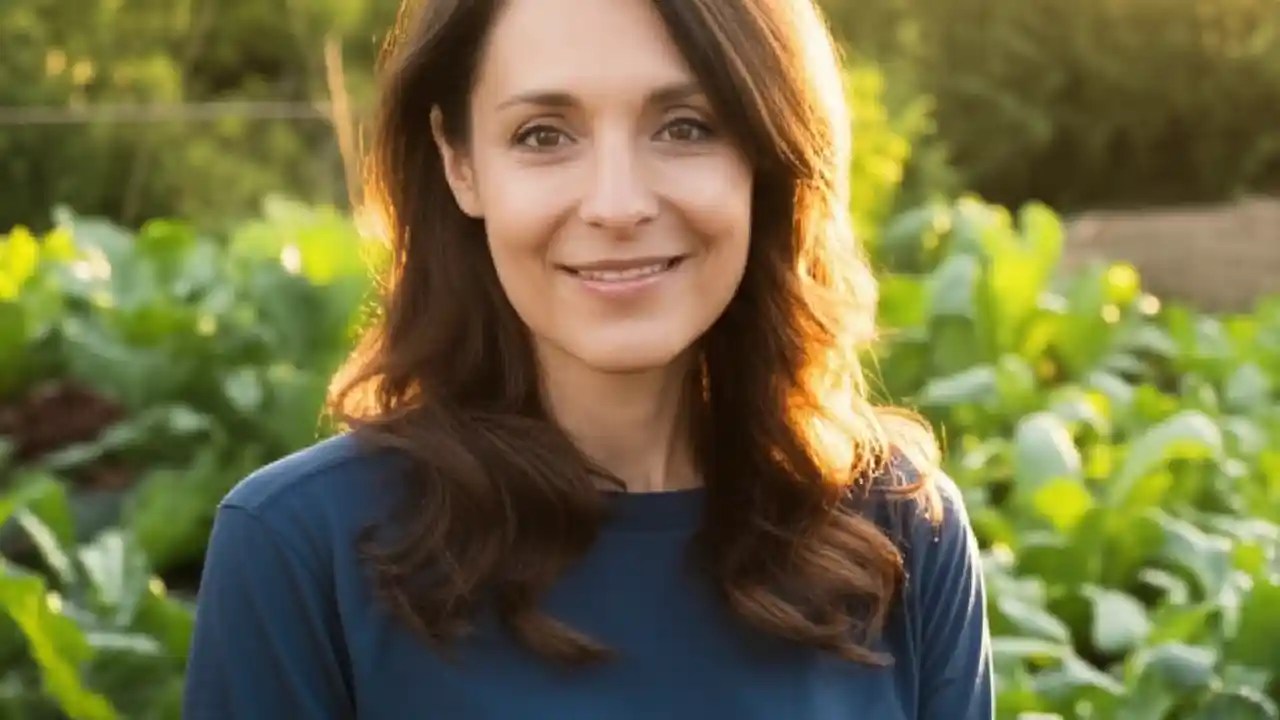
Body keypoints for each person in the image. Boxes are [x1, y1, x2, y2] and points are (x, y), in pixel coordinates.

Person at [181, 0, 994, 717]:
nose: (617, 205)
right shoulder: (298, 551)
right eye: (544, 135)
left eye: (686, 126)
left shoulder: (899, 533)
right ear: (460, 163)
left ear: (767, 150)